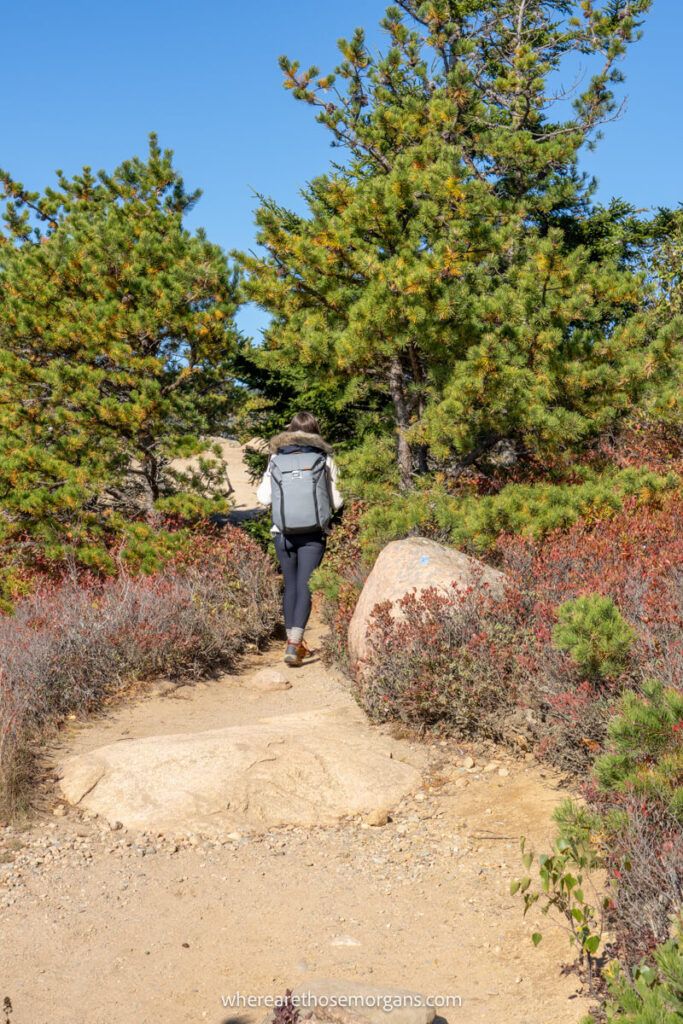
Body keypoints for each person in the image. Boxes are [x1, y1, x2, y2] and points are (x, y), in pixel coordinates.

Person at [256, 412, 343, 666]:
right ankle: (294, 645)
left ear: (290, 430)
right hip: (313, 534)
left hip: (282, 532)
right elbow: (338, 501)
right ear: (316, 431)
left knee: (291, 585)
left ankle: (291, 642)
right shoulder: (325, 457)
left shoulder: (276, 457)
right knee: (306, 585)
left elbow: (263, 497)